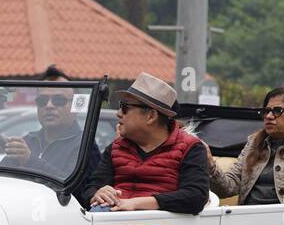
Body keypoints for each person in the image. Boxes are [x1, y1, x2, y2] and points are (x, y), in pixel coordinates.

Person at [81, 72, 209, 214]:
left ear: (151, 116)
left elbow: (196, 196)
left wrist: (137, 203)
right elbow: (89, 188)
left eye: (125, 107)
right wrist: (97, 193)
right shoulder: (115, 148)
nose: (118, 113)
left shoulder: (191, 148)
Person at [206, 87, 284, 205]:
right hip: (246, 218)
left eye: (277, 111)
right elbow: (227, 188)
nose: (268, 116)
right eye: (266, 111)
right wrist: (211, 166)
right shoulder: (254, 142)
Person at [3, 66, 100, 195]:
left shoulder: (85, 146)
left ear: (75, 107)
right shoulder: (28, 141)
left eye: (58, 100)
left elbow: (76, 192)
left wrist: (30, 160)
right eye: (42, 101)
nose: (49, 106)